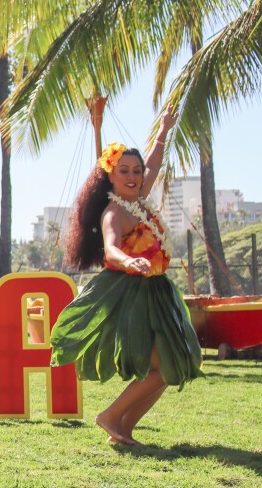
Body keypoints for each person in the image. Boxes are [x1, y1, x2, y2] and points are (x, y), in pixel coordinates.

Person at [49, 107, 202, 446]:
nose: (133, 176)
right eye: (125, 171)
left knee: (171, 365)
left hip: (157, 291)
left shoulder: (139, 199)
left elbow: (155, 160)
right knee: (162, 366)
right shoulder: (114, 211)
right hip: (130, 296)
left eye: (136, 170)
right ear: (111, 175)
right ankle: (109, 417)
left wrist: (163, 129)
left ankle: (123, 429)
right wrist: (130, 263)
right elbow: (111, 249)